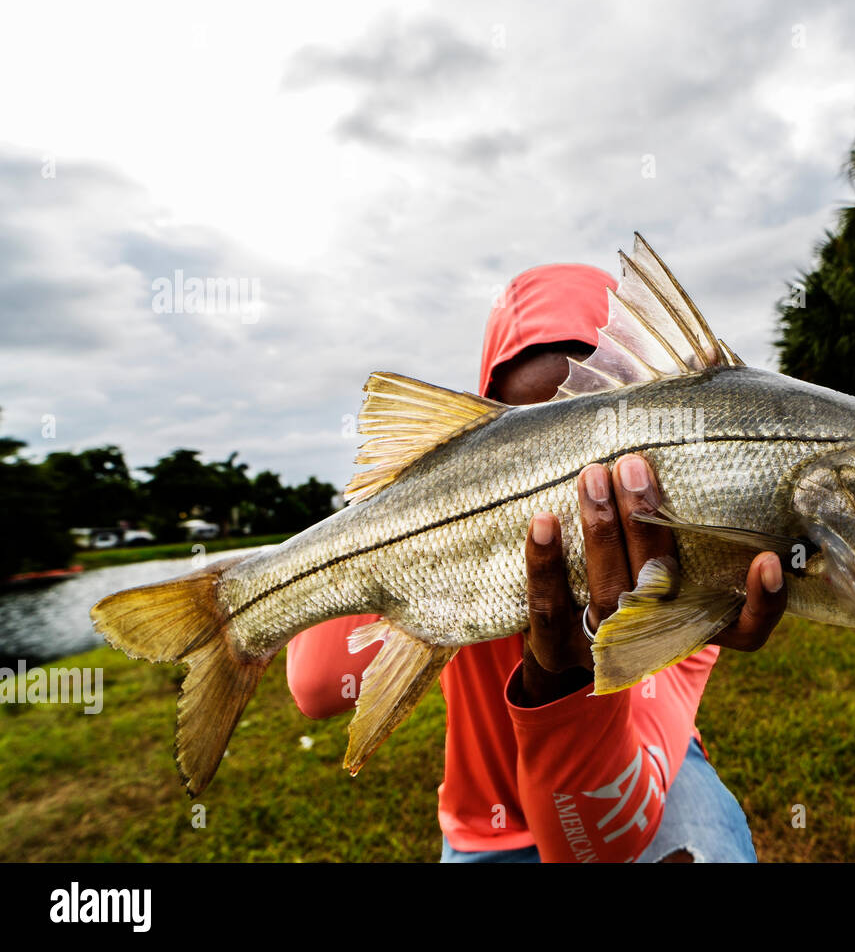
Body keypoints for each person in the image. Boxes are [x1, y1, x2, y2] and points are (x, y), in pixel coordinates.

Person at [285, 261, 787, 862]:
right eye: (532, 452)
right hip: (483, 820)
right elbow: (316, 687)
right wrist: (402, 499)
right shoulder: (444, 535)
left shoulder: (687, 568)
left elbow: (590, 847)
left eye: (601, 441)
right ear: (479, 434)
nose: (574, 494)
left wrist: (566, 679)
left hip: (647, 767)